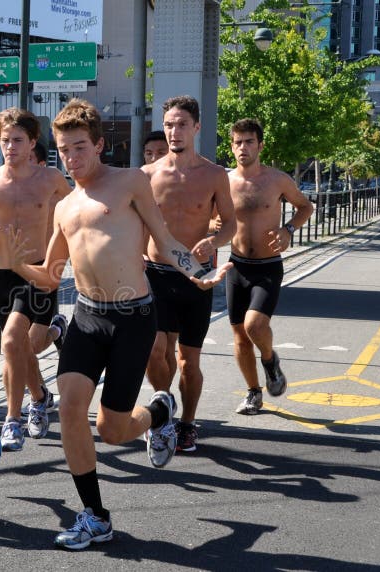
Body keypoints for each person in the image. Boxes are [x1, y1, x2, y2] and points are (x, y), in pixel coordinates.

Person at [8, 99, 229, 550]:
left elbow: (165, 241)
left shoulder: (130, 182)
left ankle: (160, 412)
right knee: (70, 409)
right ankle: (95, 515)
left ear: (99, 145)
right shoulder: (64, 207)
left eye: (79, 148)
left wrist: (196, 271)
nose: (71, 159)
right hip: (88, 315)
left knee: (111, 430)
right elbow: (51, 273)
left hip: (134, 319)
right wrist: (13, 262)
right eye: (64, 151)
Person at [141, 95, 236, 454]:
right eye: (168, 125)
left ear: (196, 127)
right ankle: (162, 412)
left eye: (181, 124)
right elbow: (135, 224)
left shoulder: (213, 174)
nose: (174, 131)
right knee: (155, 349)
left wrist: (213, 240)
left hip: (196, 277)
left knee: (187, 361)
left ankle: (187, 422)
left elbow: (230, 224)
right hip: (155, 273)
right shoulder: (147, 175)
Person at [0, 107, 72, 451]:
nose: (10, 147)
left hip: (38, 271)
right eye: (5, 141)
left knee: (11, 341)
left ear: (32, 142)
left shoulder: (51, 180)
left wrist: (60, 263)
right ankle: (39, 396)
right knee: (17, 348)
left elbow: (73, 219)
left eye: (18, 140)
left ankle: (12, 420)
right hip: (0, 273)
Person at [226, 118, 314, 414]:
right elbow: (215, 218)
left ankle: (269, 359)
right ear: (232, 147)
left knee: (254, 325)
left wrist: (288, 229)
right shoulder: (224, 182)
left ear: (260, 145)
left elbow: (306, 206)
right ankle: (254, 393)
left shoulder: (277, 179)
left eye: (249, 141)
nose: (243, 147)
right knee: (239, 335)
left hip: (267, 266)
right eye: (238, 142)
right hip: (236, 267)